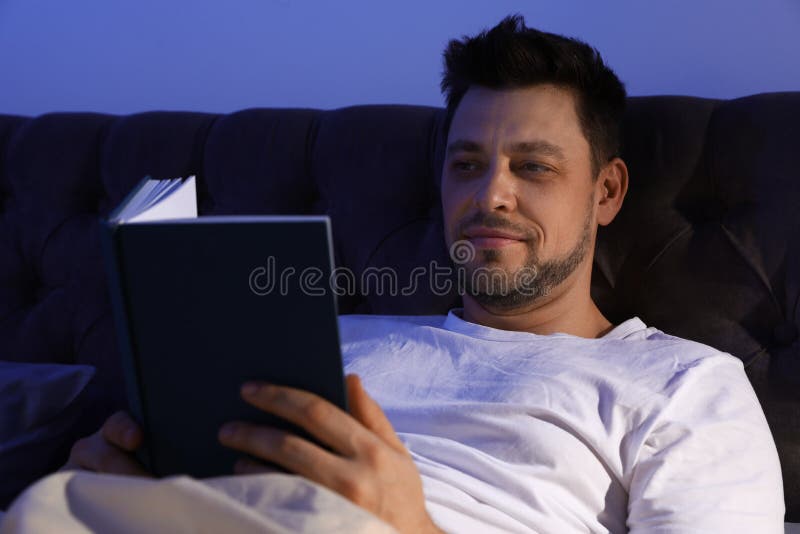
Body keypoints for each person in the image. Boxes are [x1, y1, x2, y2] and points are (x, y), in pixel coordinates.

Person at [60, 14, 785, 533]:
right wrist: (125, 482)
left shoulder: (685, 386)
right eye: (466, 165)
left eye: (533, 166)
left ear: (606, 192)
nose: (489, 194)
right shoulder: (320, 339)